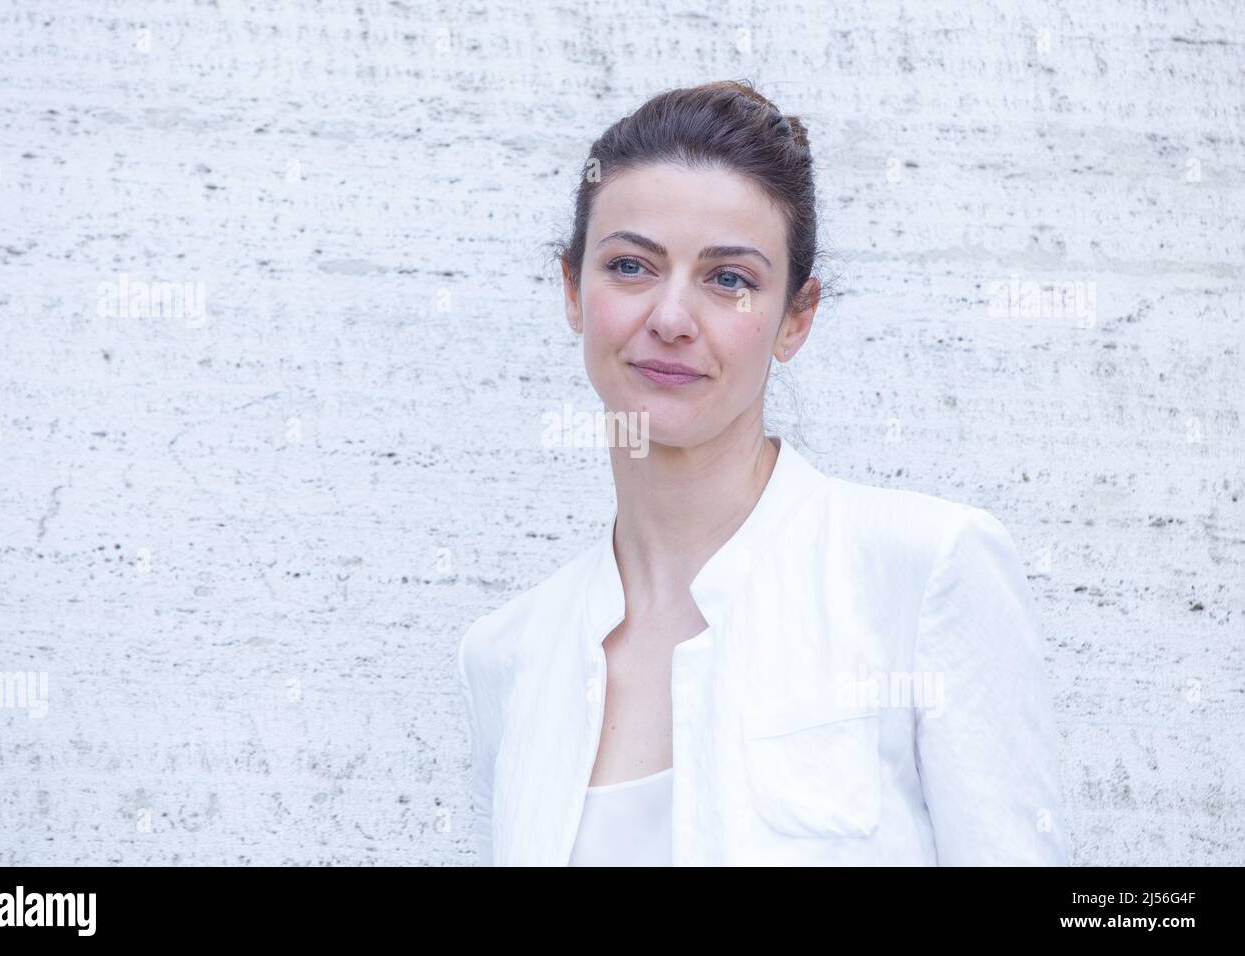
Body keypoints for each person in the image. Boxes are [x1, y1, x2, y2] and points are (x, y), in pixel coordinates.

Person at [456, 80, 1069, 867]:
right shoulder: (507, 656)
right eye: (631, 266)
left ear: (796, 317)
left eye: (729, 280)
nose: (671, 318)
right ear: (573, 291)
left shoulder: (922, 572)